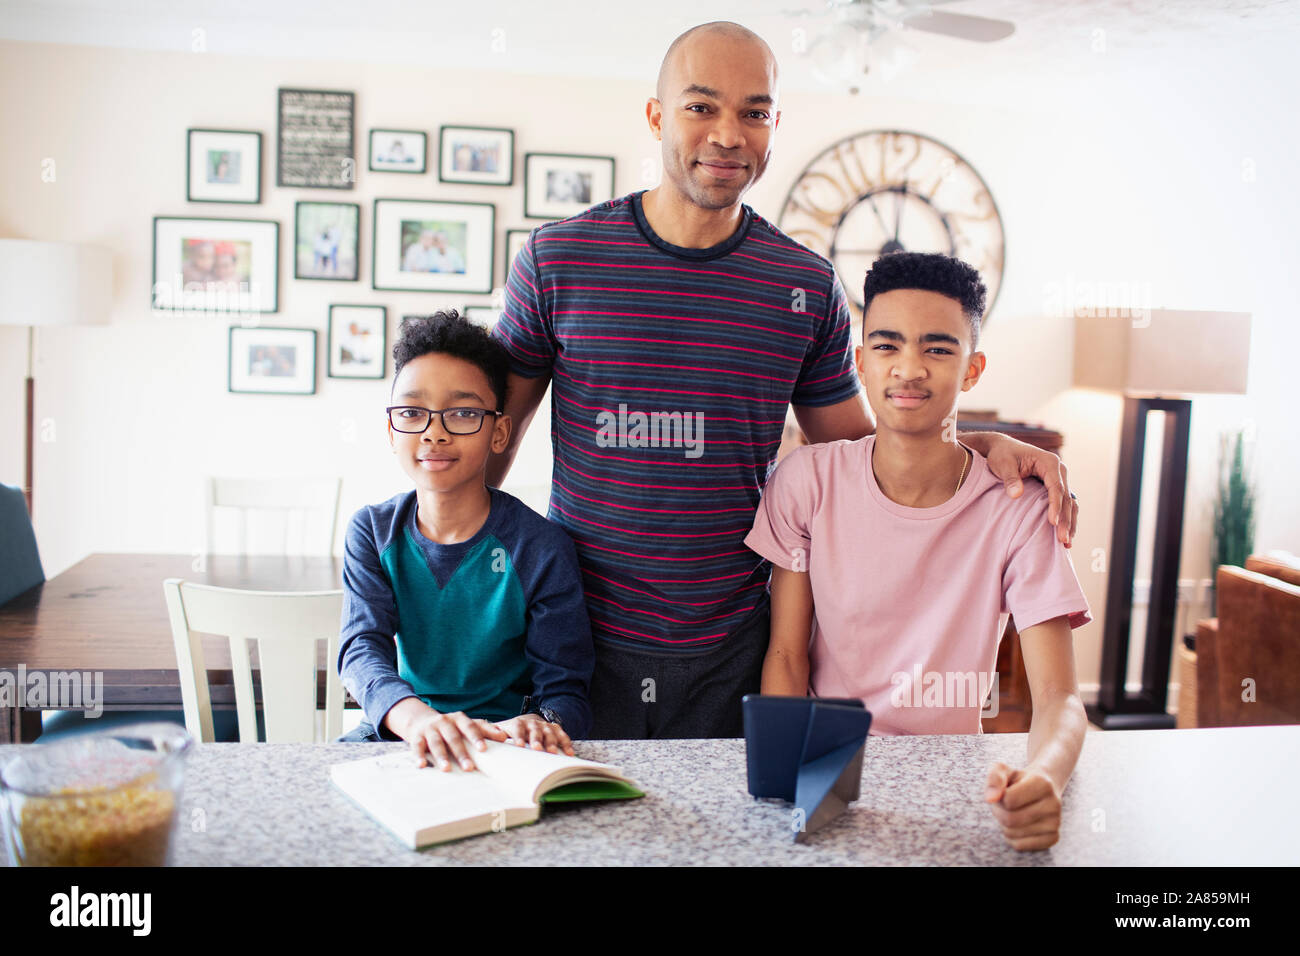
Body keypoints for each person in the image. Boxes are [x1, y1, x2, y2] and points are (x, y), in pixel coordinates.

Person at [488, 20, 1078, 740]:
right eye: (701, 106)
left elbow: (864, 454)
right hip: (575, 641)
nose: (729, 134)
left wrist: (978, 442)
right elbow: (490, 448)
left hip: (733, 650)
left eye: (754, 112)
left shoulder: (801, 283)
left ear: (774, 125)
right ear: (656, 116)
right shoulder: (559, 259)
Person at [746, 252, 1091, 850]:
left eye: (937, 349)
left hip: (952, 776)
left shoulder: (1018, 507)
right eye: (886, 346)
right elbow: (785, 654)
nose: (909, 369)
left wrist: (1045, 776)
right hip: (829, 768)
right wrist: (789, 778)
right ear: (860, 362)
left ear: (973, 368)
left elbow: (1060, 699)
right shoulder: (805, 482)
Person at [337, 310, 594, 771]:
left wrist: (541, 722)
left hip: (503, 749)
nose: (434, 432)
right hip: (405, 736)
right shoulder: (371, 532)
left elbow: (567, 691)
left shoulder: (541, 548)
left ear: (498, 432)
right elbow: (361, 651)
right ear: (391, 429)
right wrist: (417, 719)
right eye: (413, 412)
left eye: (461, 413)